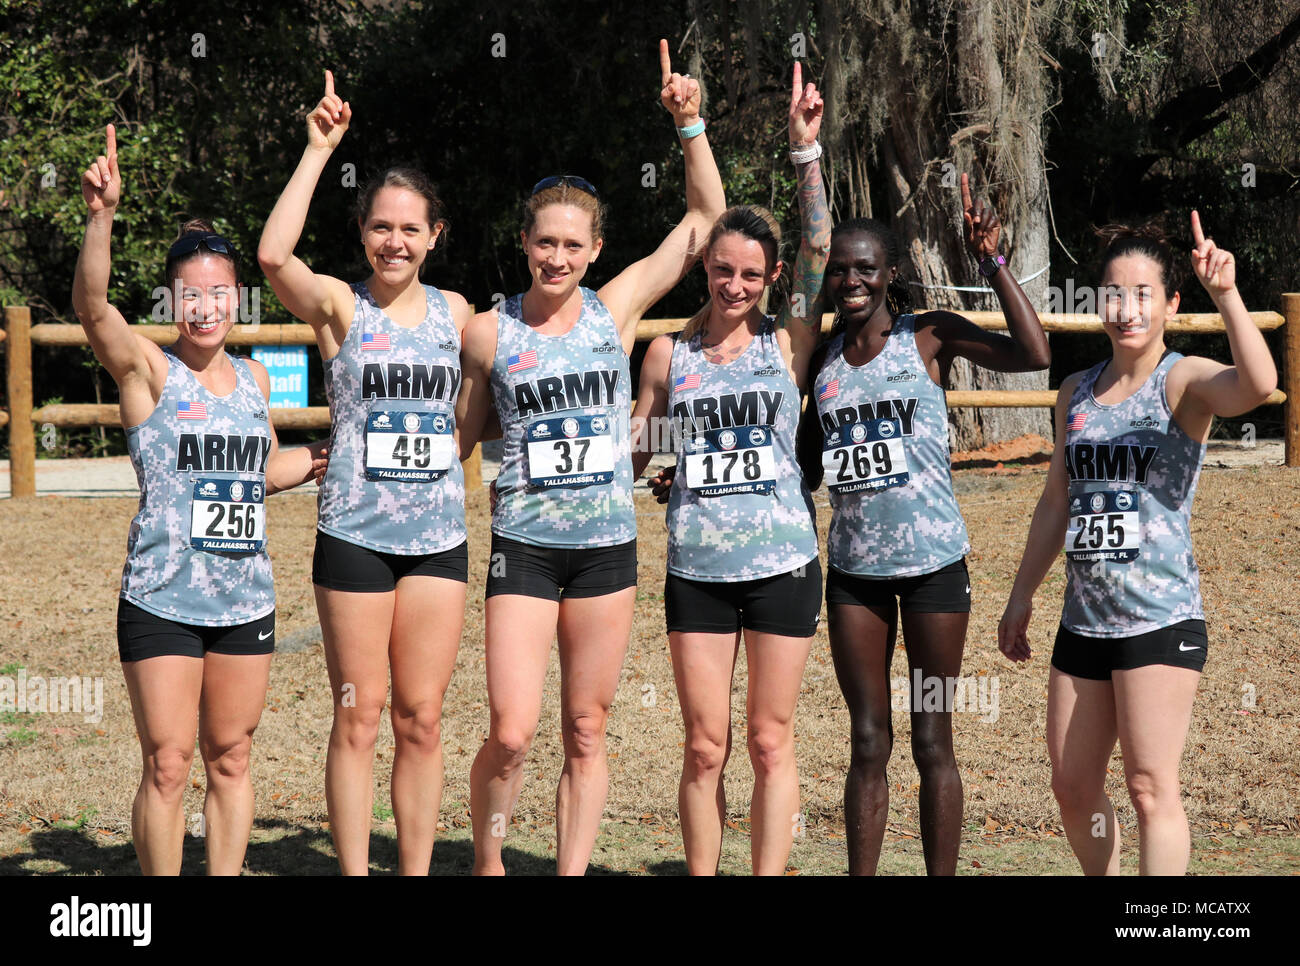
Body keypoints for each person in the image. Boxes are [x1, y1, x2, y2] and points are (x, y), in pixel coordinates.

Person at [453, 40, 725, 875]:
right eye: (545, 243)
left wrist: (690, 125)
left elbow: (707, 221)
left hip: (605, 550)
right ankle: (491, 860)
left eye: (573, 245)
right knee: (511, 729)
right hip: (526, 550)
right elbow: (458, 438)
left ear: (596, 249)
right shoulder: (489, 331)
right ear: (525, 243)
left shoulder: (615, 311)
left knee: (585, 729)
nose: (557, 258)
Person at [73, 125, 325, 875]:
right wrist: (101, 216)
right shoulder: (147, 370)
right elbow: (92, 308)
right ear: (173, 298)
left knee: (232, 756)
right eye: (192, 294)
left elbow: (254, 474)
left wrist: (317, 458)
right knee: (168, 762)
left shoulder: (255, 381)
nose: (208, 307)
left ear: (236, 297)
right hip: (162, 598)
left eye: (221, 292)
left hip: (245, 598)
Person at [998, 213, 1276, 875]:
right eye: (1114, 293)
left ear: (1171, 303)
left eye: (1143, 293)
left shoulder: (1182, 383)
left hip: (1160, 621)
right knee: (1072, 787)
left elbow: (1258, 385)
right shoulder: (1075, 393)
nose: (1126, 308)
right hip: (1084, 624)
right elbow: (1055, 504)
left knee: (1150, 787)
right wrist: (1020, 597)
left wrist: (1228, 294)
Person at [794, 176, 1050, 875]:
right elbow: (806, 467)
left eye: (864, 268)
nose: (850, 280)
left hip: (936, 569)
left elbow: (1035, 354)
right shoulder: (820, 364)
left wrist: (993, 262)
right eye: (839, 270)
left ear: (890, 274)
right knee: (869, 740)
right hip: (854, 579)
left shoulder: (928, 335)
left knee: (932, 739)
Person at [257, 72, 474, 875]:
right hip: (353, 538)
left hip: (438, 544)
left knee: (420, 718)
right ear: (362, 232)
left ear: (435, 234)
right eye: (381, 227)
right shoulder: (341, 310)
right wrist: (318, 150)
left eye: (410, 229)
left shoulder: (458, 316)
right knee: (359, 715)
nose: (395, 242)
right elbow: (273, 254)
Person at [632, 64, 829, 875]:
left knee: (769, 739)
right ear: (704, 269)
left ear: (771, 278)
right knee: (706, 745)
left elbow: (819, 241)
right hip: (699, 572)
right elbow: (643, 450)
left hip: (783, 564)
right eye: (722, 270)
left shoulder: (790, 344)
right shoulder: (667, 352)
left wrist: (806, 153)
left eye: (751, 274)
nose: (736, 284)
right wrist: (658, 468)